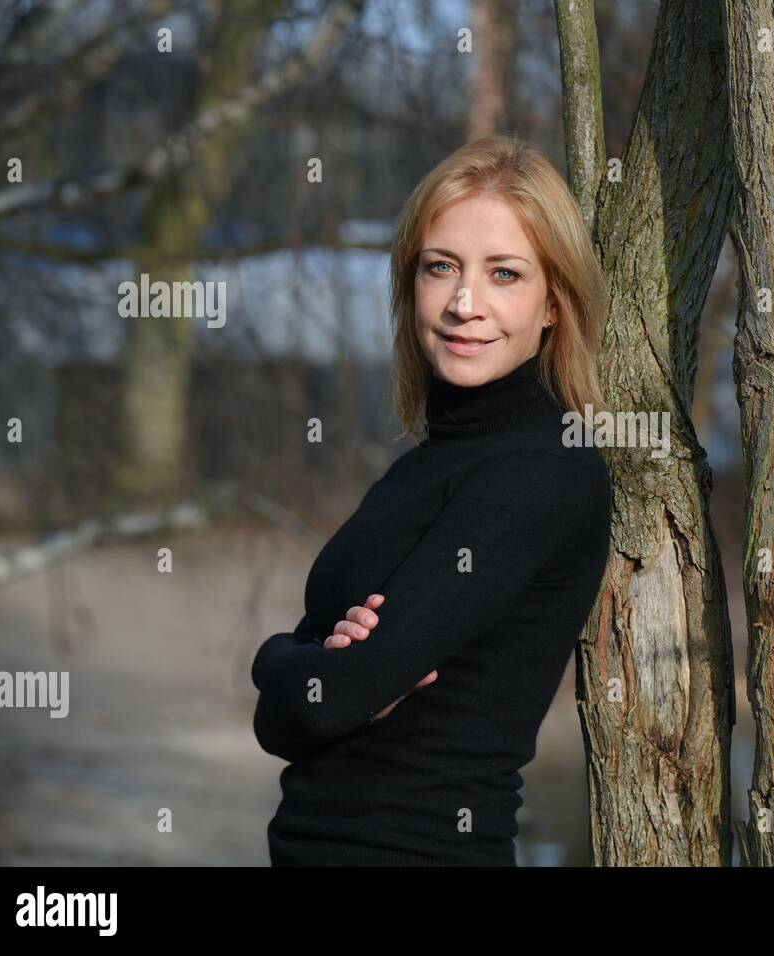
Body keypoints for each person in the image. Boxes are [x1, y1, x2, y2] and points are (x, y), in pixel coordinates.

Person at [251, 134, 613, 866]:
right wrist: (303, 665)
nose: (463, 303)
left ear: (553, 306)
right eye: (440, 267)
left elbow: (335, 698)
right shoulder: (423, 468)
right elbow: (287, 724)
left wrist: (279, 661)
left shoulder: (542, 468)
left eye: (505, 274)